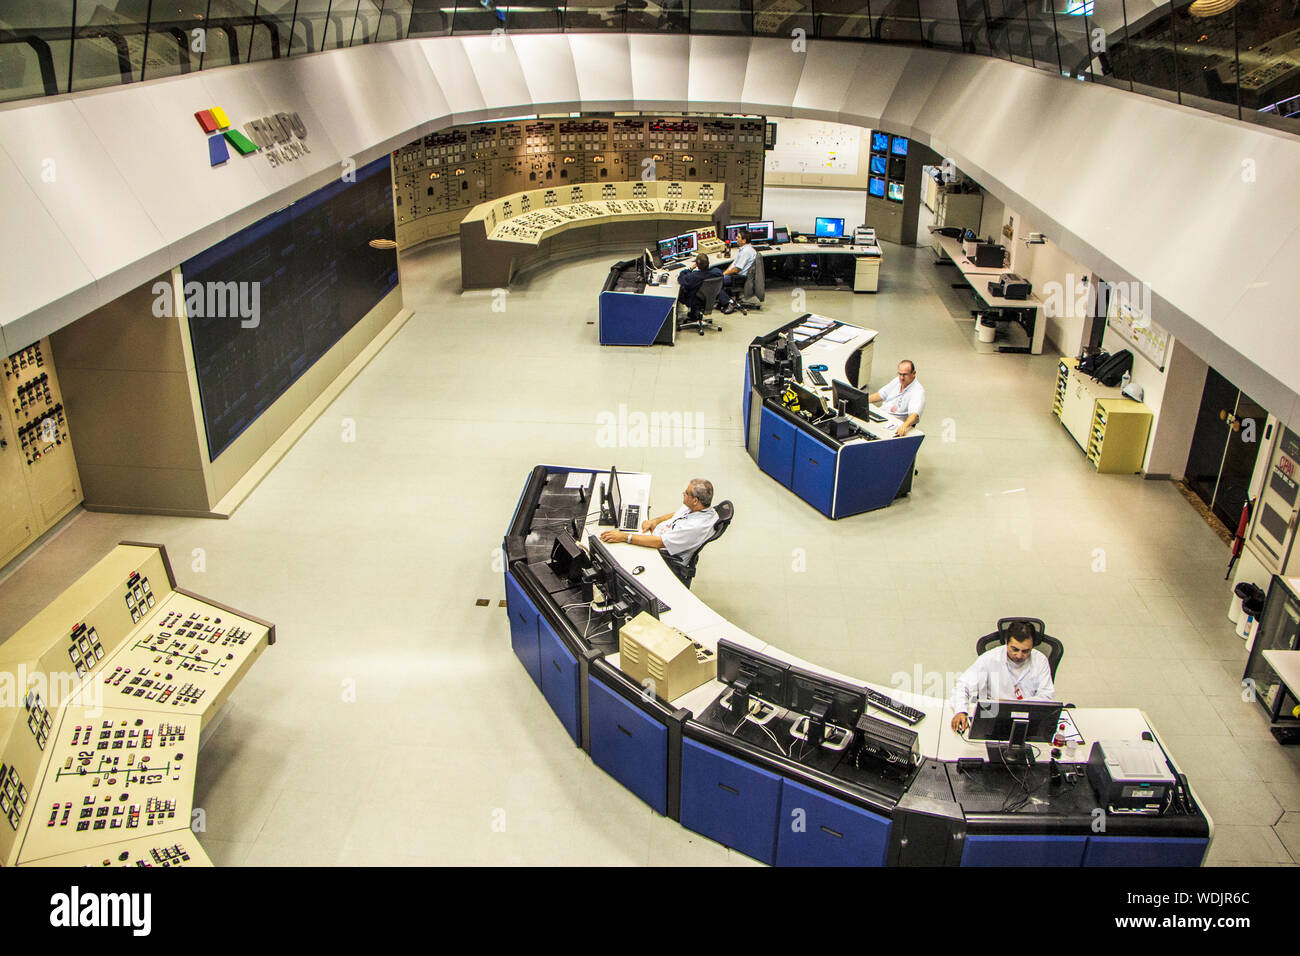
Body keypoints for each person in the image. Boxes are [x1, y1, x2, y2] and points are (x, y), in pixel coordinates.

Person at [599, 478, 718, 584]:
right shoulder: (698, 508)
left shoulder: (694, 527)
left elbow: (659, 543)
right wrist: (655, 521)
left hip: (663, 553)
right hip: (657, 536)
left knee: (618, 555)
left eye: (686, 493)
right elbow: (676, 514)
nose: (683, 493)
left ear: (695, 500)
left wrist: (624, 537)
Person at [949, 621, 1055, 733]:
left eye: (1025, 651)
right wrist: (961, 711)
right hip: (994, 716)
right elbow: (963, 685)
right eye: (1014, 649)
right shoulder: (989, 658)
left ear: (1032, 646)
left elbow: (1046, 696)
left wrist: (1015, 704)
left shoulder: (1040, 660)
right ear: (1006, 643)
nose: (1019, 655)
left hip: (1028, 718)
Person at [869, 360, 925, 437]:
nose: (901, 378)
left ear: (913, 373)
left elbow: (914, 415)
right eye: (900, 374)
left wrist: (904, 426)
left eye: (905, 375)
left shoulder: (918, 391)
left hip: (893, 423)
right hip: (881, 415)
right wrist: (862, 400)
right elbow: (880, 395)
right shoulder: (897, 381)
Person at [717, 229, 757, 313]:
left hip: (739, 277)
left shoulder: (746, 252)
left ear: (744, 240)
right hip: (736, 274)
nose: (736, 238)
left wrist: (723, 275)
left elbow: (736, 269)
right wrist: (724, 273)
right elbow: (734, 264)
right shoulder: (745, 249)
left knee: (715, 282)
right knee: (715, 272)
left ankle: (728, 303)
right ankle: (725, 299)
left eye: (738, 237)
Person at [676, 252, 722, 321]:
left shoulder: (694, 276)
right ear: (708, 263)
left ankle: (680, 315)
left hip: (695, 299)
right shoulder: (717, 272)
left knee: (680, 290)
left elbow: (681, 278)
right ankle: (693, 314)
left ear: (697, 265)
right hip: (711, 298)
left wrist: (690, 269)